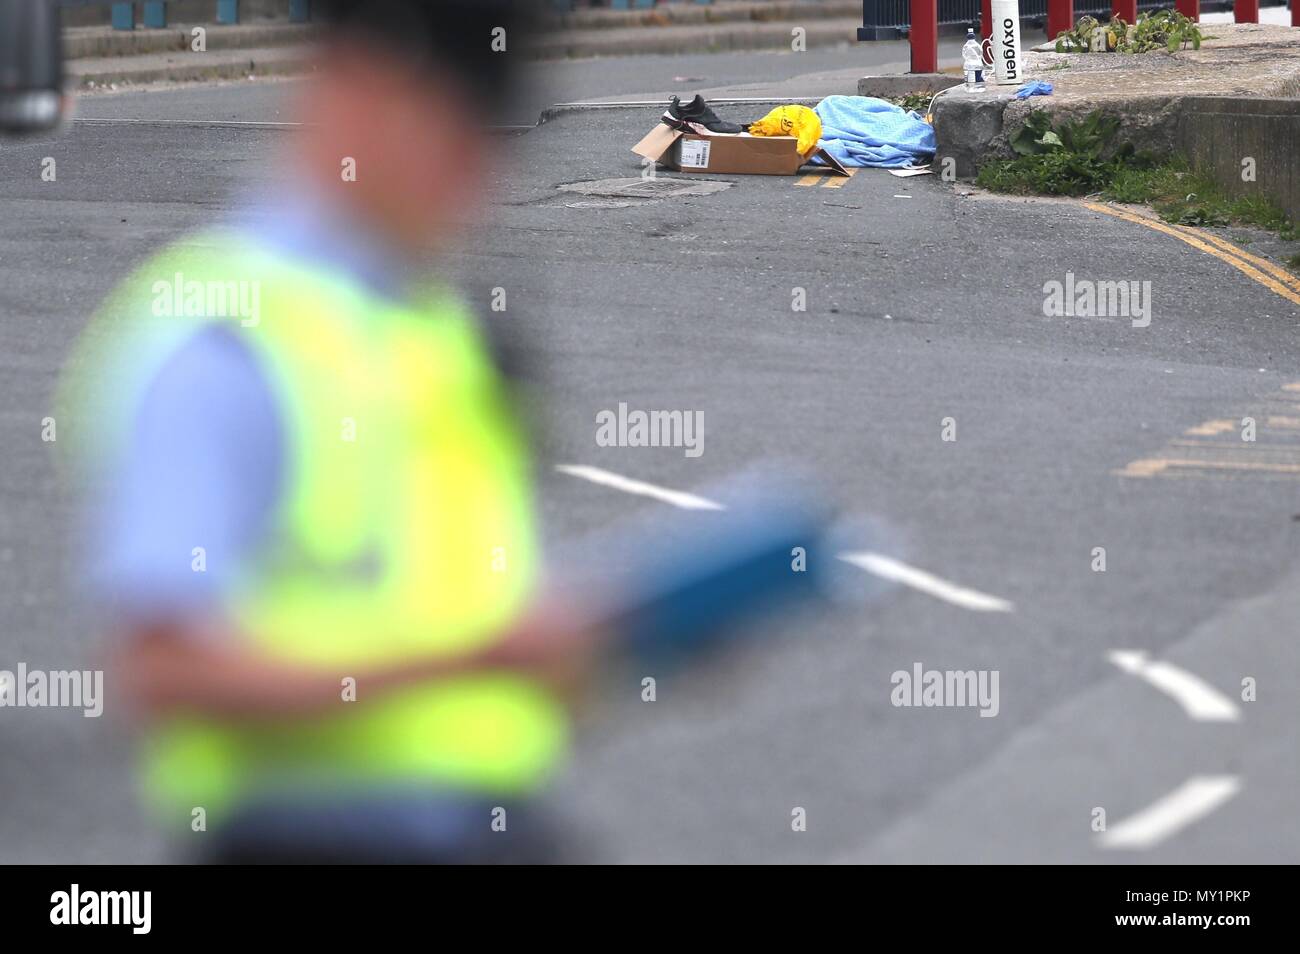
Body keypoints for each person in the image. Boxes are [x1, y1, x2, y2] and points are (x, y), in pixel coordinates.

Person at [59, 0, 594, 863]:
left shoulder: (434, 320)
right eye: (454, 131)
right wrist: (471, 662)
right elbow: (161, 670)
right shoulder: (224, 334)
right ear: (350, 85)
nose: (477, 177)